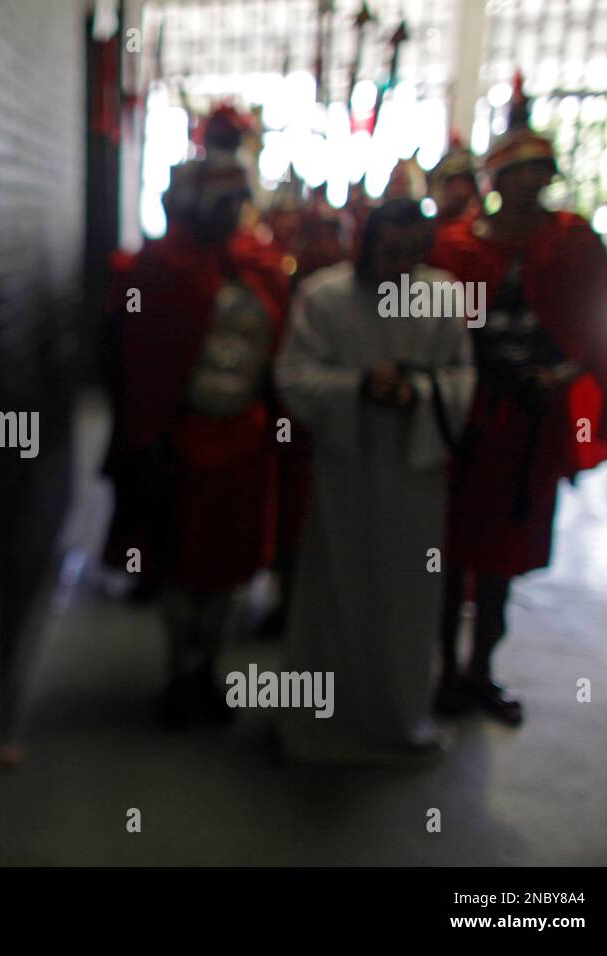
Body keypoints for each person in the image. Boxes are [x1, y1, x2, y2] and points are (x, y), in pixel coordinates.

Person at [427, 87, 607, 725]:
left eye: (540, 172)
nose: (530, 184)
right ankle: (441, 672)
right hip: (465, 414)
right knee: (449, 548)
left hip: (529, 421)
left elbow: (592, 333)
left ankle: (481, 669)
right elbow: (433, 335)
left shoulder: (572, 242)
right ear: (498, 180)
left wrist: (559, 377)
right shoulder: (454, 247)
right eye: (518, 173)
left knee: (504, 556)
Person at [274, 199, 476, 764]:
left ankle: (397, 716)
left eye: (415, 254)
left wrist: (418, 392)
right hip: (347, 471)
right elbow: (293, 374)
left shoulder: (443, 295)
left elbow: (462, 376)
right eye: (391, 252)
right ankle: (323, 722)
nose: (401, 267)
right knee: (337, 594)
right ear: (366, 243)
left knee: (407, 600)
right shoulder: (325, 295)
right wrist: (356, 387)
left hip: (414, 474)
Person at [104, 153, 288, 728]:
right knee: (182, 565)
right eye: (222, 202)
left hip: (246, 440)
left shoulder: (254, 268)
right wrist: (147, 441)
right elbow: (139, 367)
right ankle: (182, 673)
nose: (233, 213)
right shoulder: (159, 269)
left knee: (229, 566)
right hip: (183, 441)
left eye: (238, 201)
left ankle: (209, 669)